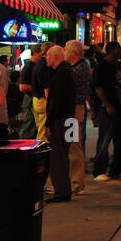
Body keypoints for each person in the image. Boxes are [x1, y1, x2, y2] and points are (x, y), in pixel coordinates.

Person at [91, 42, 121, 181]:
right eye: (119, 49)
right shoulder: (102, 67)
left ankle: (116, 169)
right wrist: (107, 105)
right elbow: (98, 88)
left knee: (120, 139)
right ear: (113, 50)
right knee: (105, 139)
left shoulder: (117, 65)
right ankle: (99, 170)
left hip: (120, 107)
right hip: (108, 108)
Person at [43, 45, 77, 202]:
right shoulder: (67, 71)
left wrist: (48, 122)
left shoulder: (60, 74)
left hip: (60, 120)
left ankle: (62, 191)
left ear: (56, 56)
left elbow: (55, 101)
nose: (46, 58)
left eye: (48, 55)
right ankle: (65, 188)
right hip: (70, 118)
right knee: (65, 153)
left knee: (57, 156)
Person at [64, 40, 91, 194]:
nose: (64, 52)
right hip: (74, 111)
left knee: (73, 145)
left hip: (73, 112)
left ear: (73, 53)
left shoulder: (78, 69)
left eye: (66, 49)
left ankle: (77, 183)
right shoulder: (81, 66)